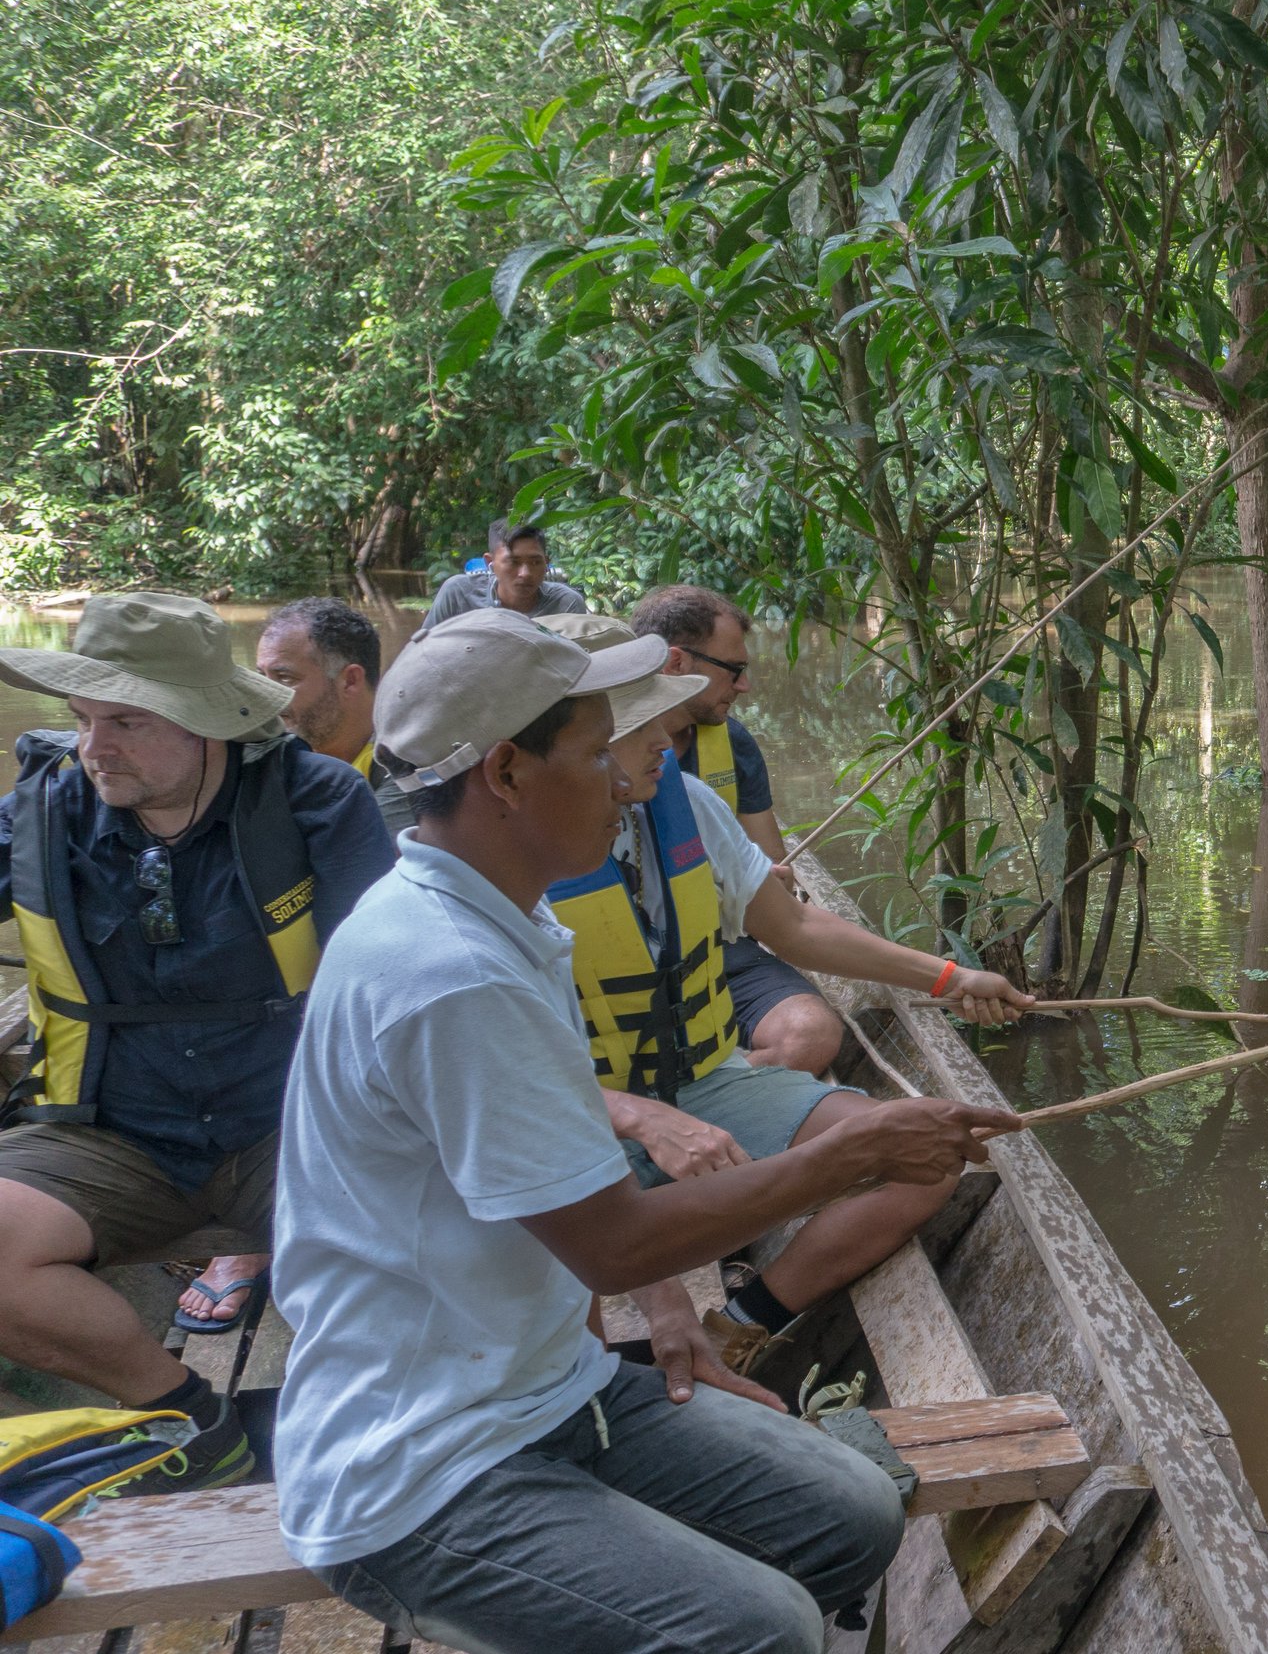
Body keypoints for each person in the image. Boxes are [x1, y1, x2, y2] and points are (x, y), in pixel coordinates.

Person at [269, 608, 1019, 1652]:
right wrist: (850, 1154)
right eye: (597, 754)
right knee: (769, 1631)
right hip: (420, 1465)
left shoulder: (510, 919)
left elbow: (569, 1184)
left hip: (544, 1392)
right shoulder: (451, 973)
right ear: (506, 772)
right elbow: (613, 1244)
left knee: (854, 1518)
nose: (628, 782)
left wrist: (670, 1312)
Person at [537, 613, 1028, 1372]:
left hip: (704, 1078)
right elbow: (515, 1086)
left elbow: (794, 928)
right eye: (636, 728)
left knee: (925, 1158)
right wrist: (661, 1295)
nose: (664, 741)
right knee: (555, 1257)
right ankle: (600, 1383)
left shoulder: (686, 803)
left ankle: (742, 1324)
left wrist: (952, 977)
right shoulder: (517, 863)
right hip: (574, 1117)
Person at [0, 594, 392, 1483]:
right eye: (83, 719)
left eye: (126, 722)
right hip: (111, 1130)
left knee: (420, 1250)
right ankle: (193, 1420)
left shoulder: (316, 798)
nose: (95, 747)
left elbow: (394, 977)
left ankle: (373, 1448)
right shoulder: (45, 808)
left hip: (290, 1120)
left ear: (207, 721)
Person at [628, 585, 845, 1075]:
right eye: (734, 669)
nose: (744, 686)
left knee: (811, 1035)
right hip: (620, 959)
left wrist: (765, 878)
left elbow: (777, 885)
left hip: (718, 947)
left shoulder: (727, 748)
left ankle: (722, 1080)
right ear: (677, 662)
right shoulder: (592, 770)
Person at [257, 599, 382, 776]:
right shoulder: (260, 757)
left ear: (350, 681)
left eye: (285, 678)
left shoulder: (408, 763)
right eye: (261, 677)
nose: (264, 696)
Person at [420, 519, 588, 630]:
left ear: (546, 563)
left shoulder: (566, 605)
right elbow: (424, 652)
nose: (525, 573)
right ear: (490, 563)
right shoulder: (458, 594)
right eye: (513, 562)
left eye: (535, 562)